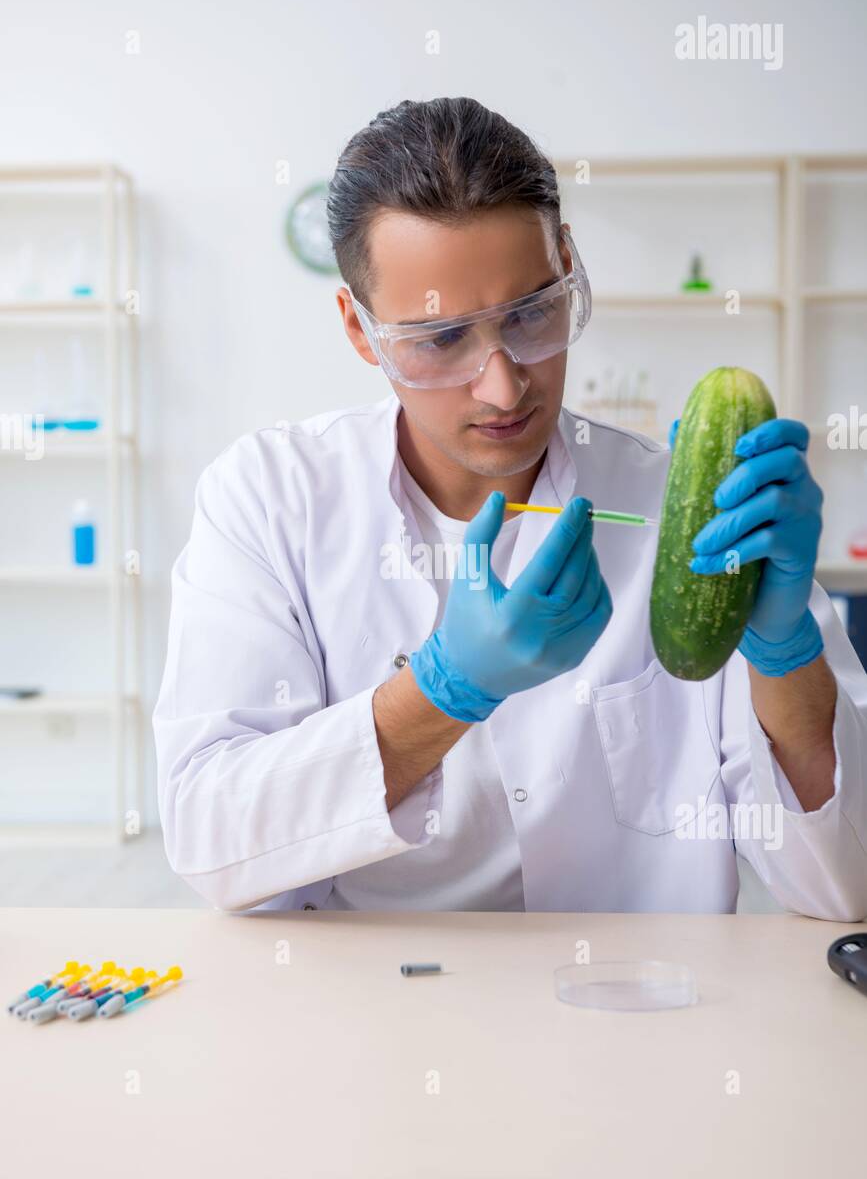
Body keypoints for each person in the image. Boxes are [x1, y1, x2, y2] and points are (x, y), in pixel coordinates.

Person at [153, 96, 867, 918]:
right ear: (359, 329)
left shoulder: (693, 517)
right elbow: (211, 843)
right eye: (439, 338)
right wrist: (442, 691)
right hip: (370, 1021)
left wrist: (786, 652)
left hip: (643, 1019)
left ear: (569, 267)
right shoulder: (270, 499)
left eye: (530, 314)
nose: (503, 385)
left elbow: (843, 886)